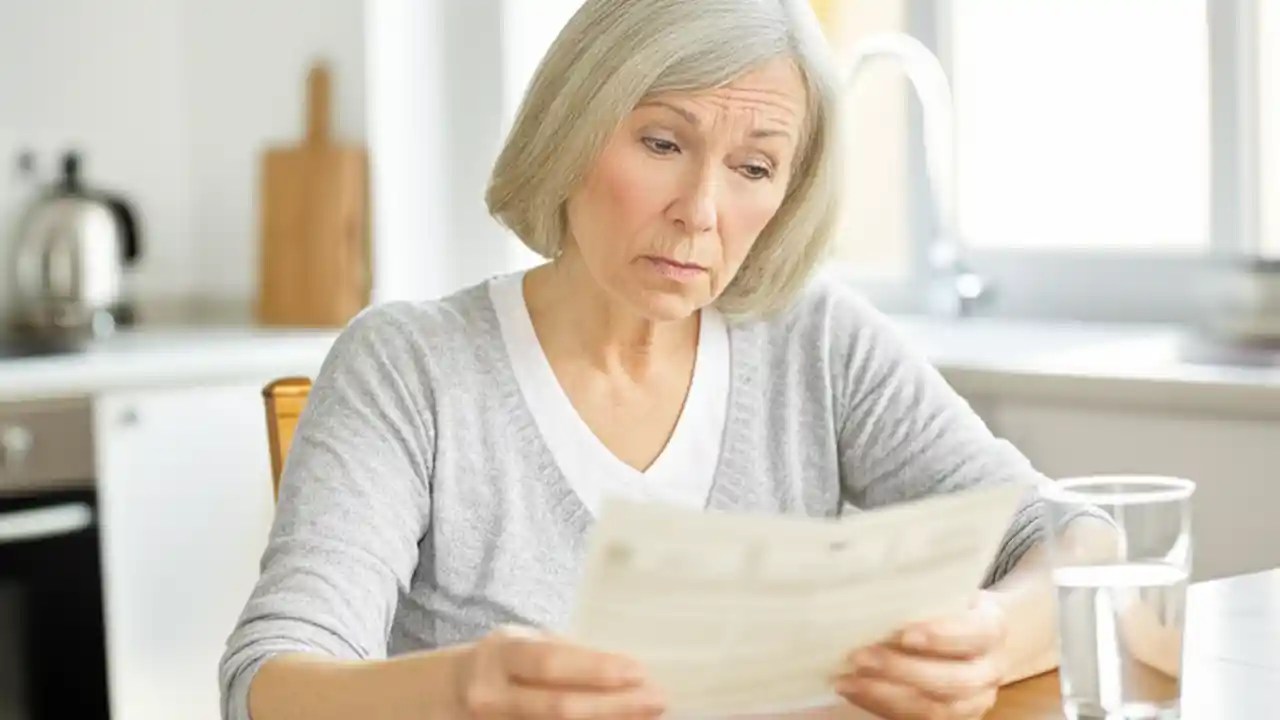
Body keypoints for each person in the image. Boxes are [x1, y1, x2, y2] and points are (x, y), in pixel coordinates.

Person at [220, 1, 1078, 717]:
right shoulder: (412, 367)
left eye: (754, 166)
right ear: (574, 128)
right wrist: (462, 689)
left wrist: (994, 636)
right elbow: (270, 681)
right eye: (662, 144)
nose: (701, 210)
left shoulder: (812, 340)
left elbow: (1069, 537)